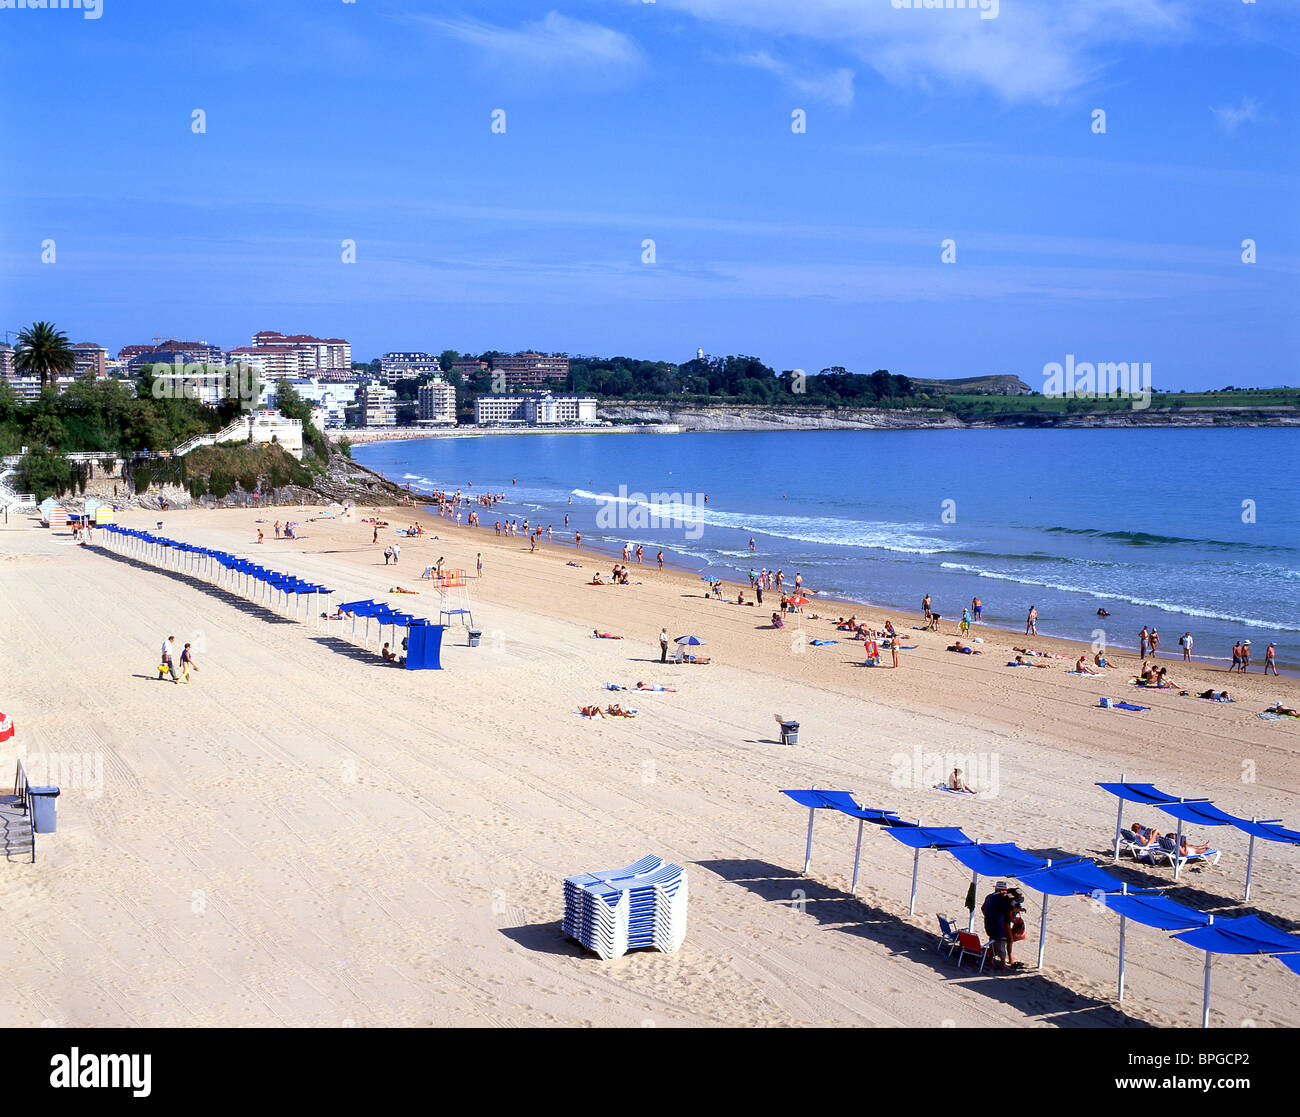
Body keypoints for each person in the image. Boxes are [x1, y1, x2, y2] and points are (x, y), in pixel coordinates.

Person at [981, 882, 1021, 969]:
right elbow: (1009, 911)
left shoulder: (989, 896)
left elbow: (983, 909)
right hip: (998, 924)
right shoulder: (1001, 898)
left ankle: (991, 961)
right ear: (1003, 890)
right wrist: (1015, 915)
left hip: (988, 923)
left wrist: (989, 916)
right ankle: (1003, 964)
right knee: (1001, 942)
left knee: (992, 940)